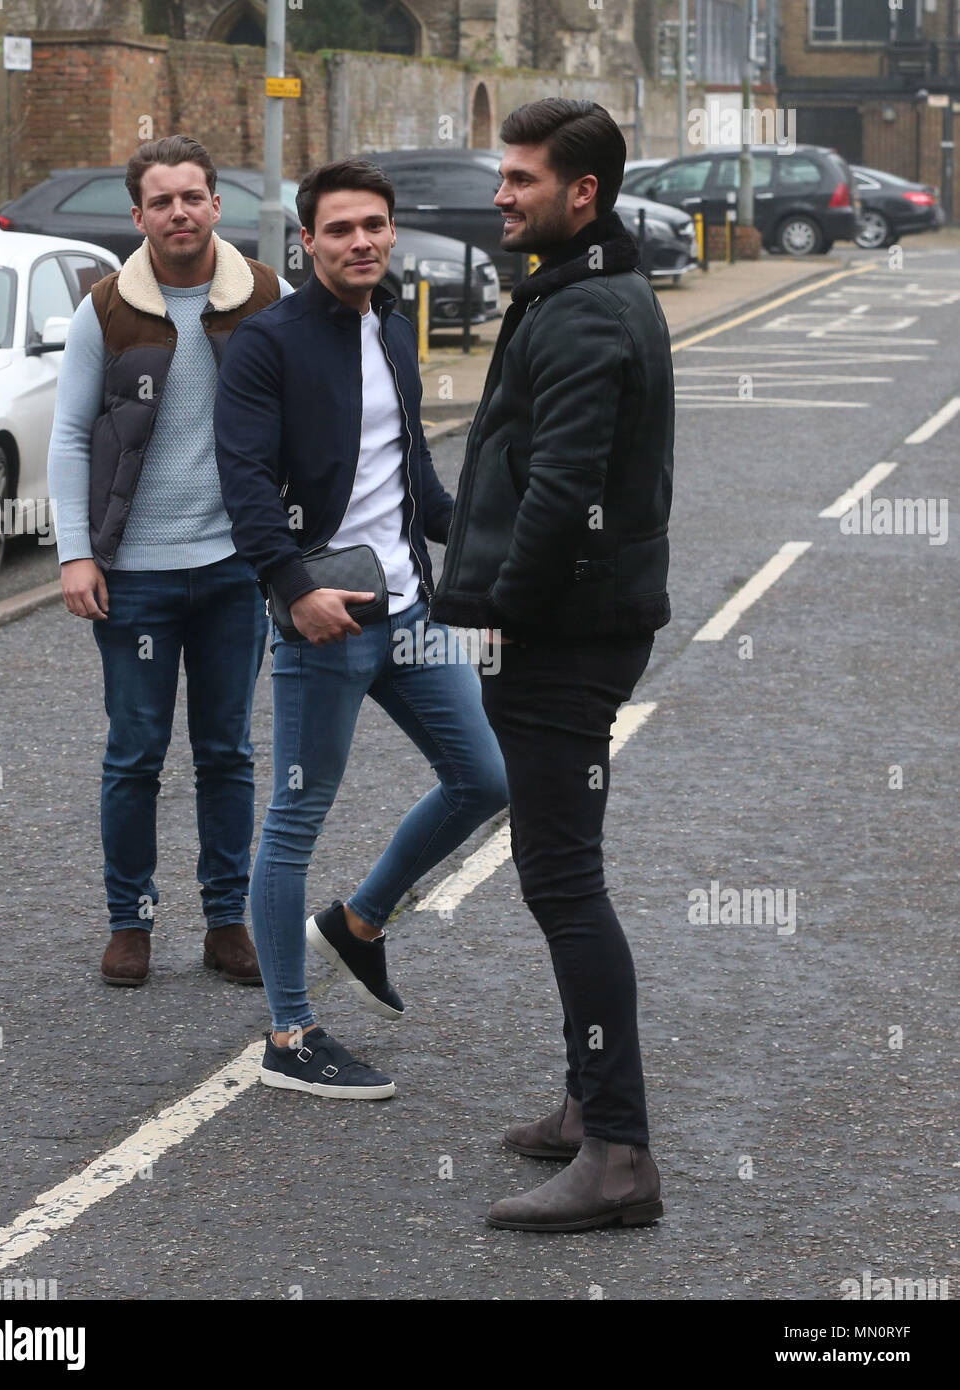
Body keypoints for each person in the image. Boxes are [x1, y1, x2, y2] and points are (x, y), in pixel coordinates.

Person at [213, 158, 509, 1100]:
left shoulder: (393, 324)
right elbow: (244, 482)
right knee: (296, 820)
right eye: (339, 229)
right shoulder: (268, 344)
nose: (361, 241)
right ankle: (289, 1035)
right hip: (325, 619)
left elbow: (410, 468)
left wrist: (481, 539)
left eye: (374, 224)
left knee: (486, 777)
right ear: (308, 241)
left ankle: (362, 920)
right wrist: (290, 588)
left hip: (408, 607)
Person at [431, 99, 675, 1232]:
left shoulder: (584, 315)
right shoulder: (584, 290)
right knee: (559, 875)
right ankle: (587, 1105)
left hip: (562, 639)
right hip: (576, 627)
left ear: (583, 194)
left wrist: (498, 616)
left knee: (564, 883)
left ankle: (618, 1152)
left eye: (522, 178)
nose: (501, 193)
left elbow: (563, 499)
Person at [48, 134, 293, 987]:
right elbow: (72, 436)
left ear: (218, 205)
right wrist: (76, 554)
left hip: (234, 569)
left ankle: (228, 922)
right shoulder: (106, 308)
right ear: (138, 215)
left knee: (227, 751)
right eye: (162, 201)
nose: (180, 212)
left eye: (193, 197)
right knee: (135, 755)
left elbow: (310, 412)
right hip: (136, 575)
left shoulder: (266, 295)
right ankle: (132, 922)